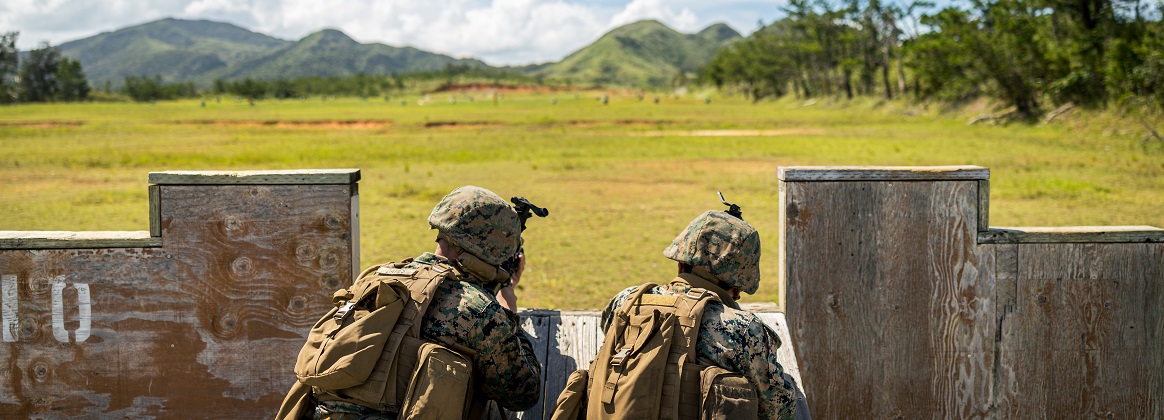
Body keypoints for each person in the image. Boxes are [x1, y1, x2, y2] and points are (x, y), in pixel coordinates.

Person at [310, 185, 543, 419]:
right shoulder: (478, 309)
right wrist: (507, 309)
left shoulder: (376, 277)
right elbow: (522, 393)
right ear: (491, 251)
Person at [598, 210, 798, 419]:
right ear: (738, 287)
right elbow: (778, 410)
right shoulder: (742, 329)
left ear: (680, 265)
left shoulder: (627, 301)